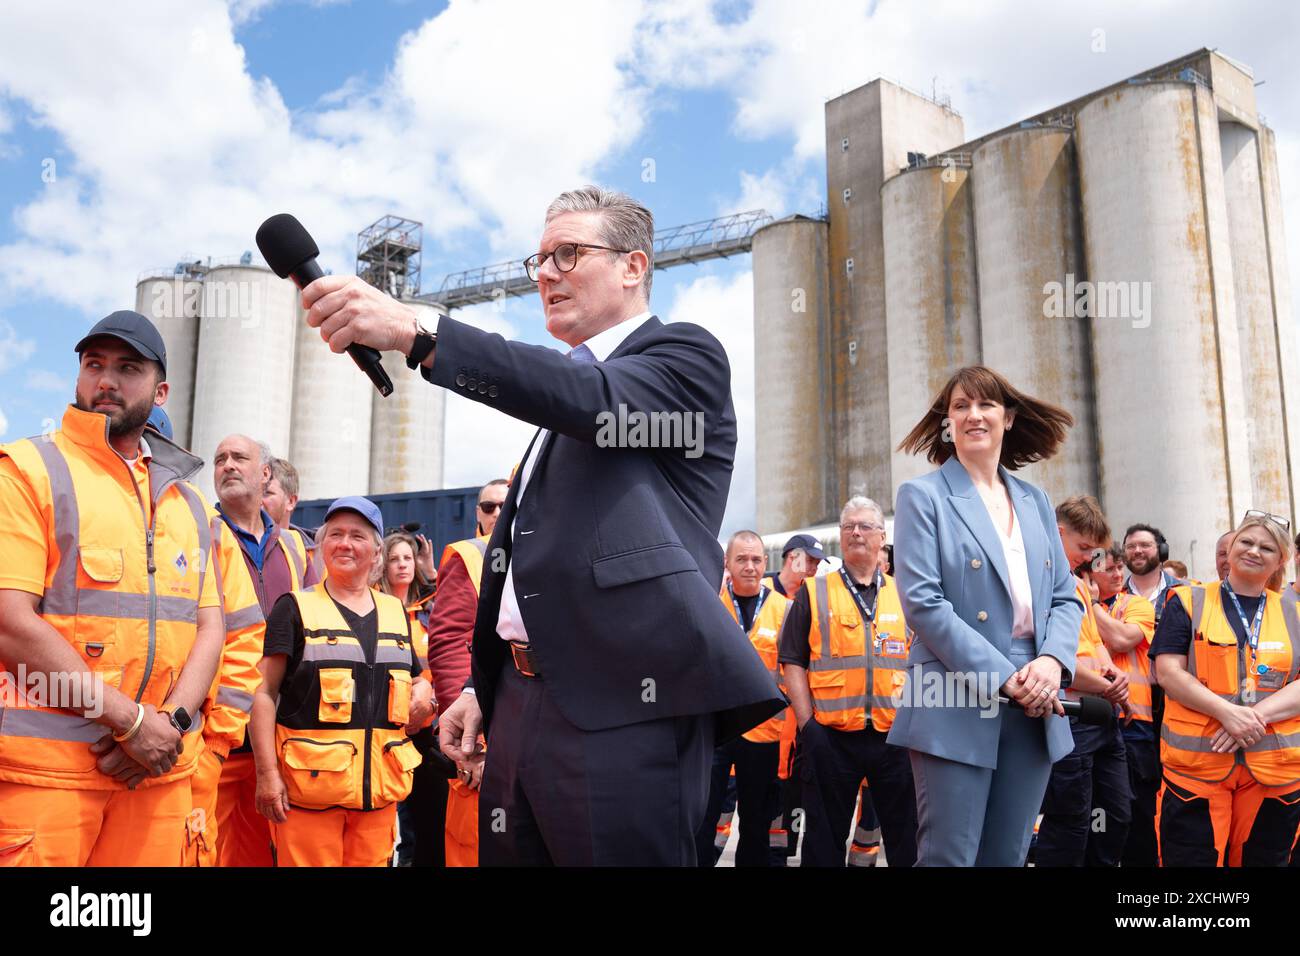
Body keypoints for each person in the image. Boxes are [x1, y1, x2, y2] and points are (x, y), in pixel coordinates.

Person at [302, 184, 784, 865]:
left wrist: (420, 331)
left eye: (568, 253)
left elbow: (591, 401)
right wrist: (482, 686)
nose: (548, 274)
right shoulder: (562, 408)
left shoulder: (681, 360)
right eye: (539, 261)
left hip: (625, 714)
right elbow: (525, 575)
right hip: (522, 711)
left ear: (633, 267)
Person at [0, 310, 224, 865]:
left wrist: (165, 729)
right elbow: (9, 620)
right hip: (49, 779)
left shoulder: (188, 504)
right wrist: (130, 722)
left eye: (128, 368)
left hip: (155, 775)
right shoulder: (28, 470)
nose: (106, 380)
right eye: (94, 364)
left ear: (161, 390)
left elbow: (210, 626)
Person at [890, 365, 1084, 867]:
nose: (973, 415)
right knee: (949, 857)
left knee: (1008, 855)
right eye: (960, 406)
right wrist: (1005, 677)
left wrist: (1050, 665)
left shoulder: (1036, 500)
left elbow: (1065, 596)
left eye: (986, 405)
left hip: (1036, 691)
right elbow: (924, 604)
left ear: (1009, 418)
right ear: (947, 423)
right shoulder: (923, 496)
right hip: (957, 689)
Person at [251, 497, 434, 866]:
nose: (344, 543)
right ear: (321, 544)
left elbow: (417, 678)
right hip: (308, 799)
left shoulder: (395, 610)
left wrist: (425, 693)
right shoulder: (294, 607)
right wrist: (267, 775)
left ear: (377, 550)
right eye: (335, 534)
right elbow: (265, 694)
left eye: (357, 535)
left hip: (378, 801)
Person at [1152, 514, 1300, 866]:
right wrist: (1226, 713)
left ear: (1281, 560)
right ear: (1229, 550)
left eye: (1266, 547)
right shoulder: (1188, 601)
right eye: (1246, 542)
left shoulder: (1294, 614)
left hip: (1274, 772)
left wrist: (1253, 719)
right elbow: (1168, 673)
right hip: (1197, 772)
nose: (1254, 551)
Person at [779, 496, 918, 868]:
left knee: (908, 841)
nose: (856, 532)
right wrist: (808, 725)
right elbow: (791, 659)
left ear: (882, 537)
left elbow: (922, 662)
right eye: (848, 526)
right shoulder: (814, 591)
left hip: (894, 740)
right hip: (831, 739)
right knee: (823, 842)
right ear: (841, 537)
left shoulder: (905, 595)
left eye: (865, 526)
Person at [211, 434, 317, 867]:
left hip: (274, 735)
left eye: (239, 457)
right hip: (216, 731)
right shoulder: (200, 531)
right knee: (202, 849)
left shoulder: (293, 546)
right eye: (220, 459)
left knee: (262, 851)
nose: (228, 465)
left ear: (266, 473)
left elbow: (310, 628)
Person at [1035, 498, 1131, 867]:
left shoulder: (1074, 585)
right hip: (1071, 714)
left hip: (1102, 714)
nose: (1090, 558)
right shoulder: (1038, 583)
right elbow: (1054, 658)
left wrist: (1112, 674)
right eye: (1084, 549)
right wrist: (1106, 685)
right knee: (1072, 822)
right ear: (1058, 534)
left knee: (1114, 817)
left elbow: (1093, 641)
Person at [696, 531, 792, 867]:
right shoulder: (710, 604)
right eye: (741, 559)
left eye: (755, 559)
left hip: (763, 734)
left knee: (756, 826)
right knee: (703, 821)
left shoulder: (784, 610)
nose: (749, 566)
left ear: (766, 563)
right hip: (716, 734)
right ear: (728, 564)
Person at [427, 477, 508, 867]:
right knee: (474, 846)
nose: (497, 514)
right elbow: (448, 652)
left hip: (528, 739)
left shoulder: (540, 556)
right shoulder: (470, 557)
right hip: (482, 744)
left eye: (504, 506)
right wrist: (469, 749)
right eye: (489, 507)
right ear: (478, 513)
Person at [379, 530, 445, 867]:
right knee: (391, 824)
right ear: (383, 565)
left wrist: (432, 575)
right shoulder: (375, 608)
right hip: (386, 733)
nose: (402, 565)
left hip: (425, 731)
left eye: (407, 558)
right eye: (395, 559)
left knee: (427, 823)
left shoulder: (430, 610)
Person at [1094, 543, 1159, 867]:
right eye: (1109, 568)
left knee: (1137, 812)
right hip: (1090, 722)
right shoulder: (1067, 606)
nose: (1118, 574)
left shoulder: (1137, 605)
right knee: (1096, 814)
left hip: (1135, 725)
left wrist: (1087, 603)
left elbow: (1121, 640)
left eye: (1121, 568)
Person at [263, 456, 318, 573]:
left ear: (291, 501)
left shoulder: (316, 556)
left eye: (267, 493)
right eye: (256, 492)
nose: (257, 500)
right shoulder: (235, 543)